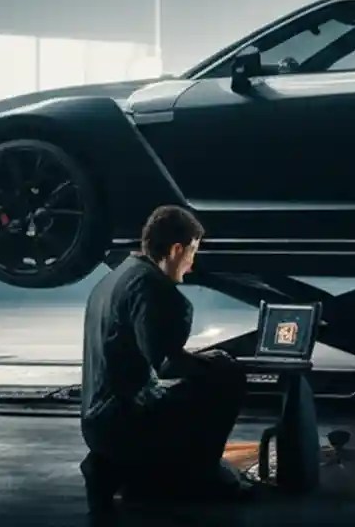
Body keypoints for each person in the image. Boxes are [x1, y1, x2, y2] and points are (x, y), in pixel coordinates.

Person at [79, 204, 251, 510]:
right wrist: (214, 362)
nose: (191, 264)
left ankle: (110, 467)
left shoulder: (114, 278)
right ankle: (203, 474)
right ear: (175, 249)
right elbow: (168, 364)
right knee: (228, 377)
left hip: (96, 422)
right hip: (123, 424)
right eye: (192, 252)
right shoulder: (153, 286)